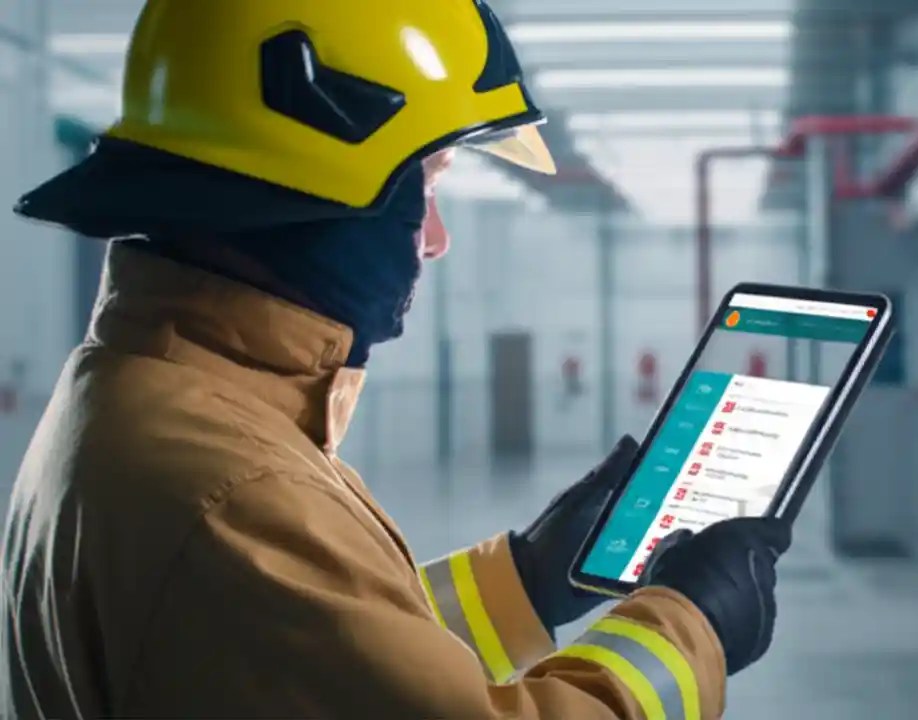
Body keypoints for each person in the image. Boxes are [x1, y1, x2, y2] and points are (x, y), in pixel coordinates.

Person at [0, 1, 791, 718]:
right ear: (323, 174)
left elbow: (316, 663)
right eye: (427, 183)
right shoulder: (236, 493)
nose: (436, 238)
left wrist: (524, 581)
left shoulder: (131, 392)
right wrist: (691, 621)